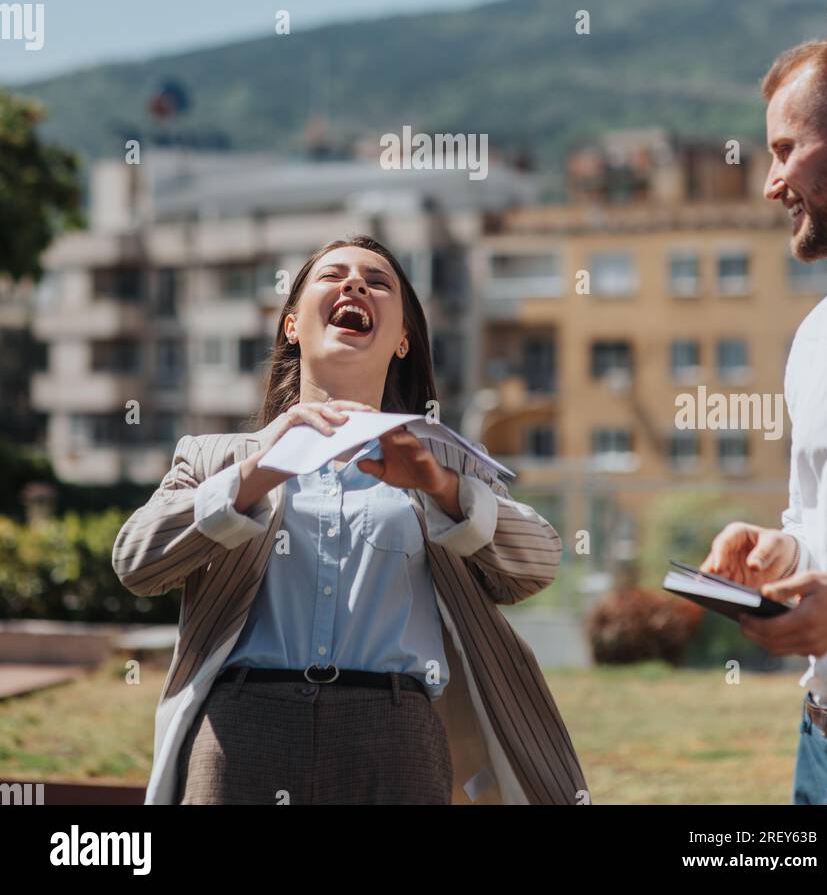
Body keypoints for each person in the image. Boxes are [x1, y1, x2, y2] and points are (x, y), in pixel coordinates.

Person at [112, 235, 589, 805]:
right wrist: (260, 471)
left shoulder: (445, 464)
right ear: (291, 326)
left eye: (378, 282)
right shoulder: (216, 458)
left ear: (404, 340)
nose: (355, 285)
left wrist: (439, 487)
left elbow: (537, 563)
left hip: (395, 737)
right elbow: (136, 562)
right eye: (332, 276)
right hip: (242, 733)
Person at [702, 38, 827, 805]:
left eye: (784, 150)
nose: (770, 184)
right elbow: (822, 524)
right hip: (825, 738)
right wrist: (779, 551)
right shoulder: (815, 340)